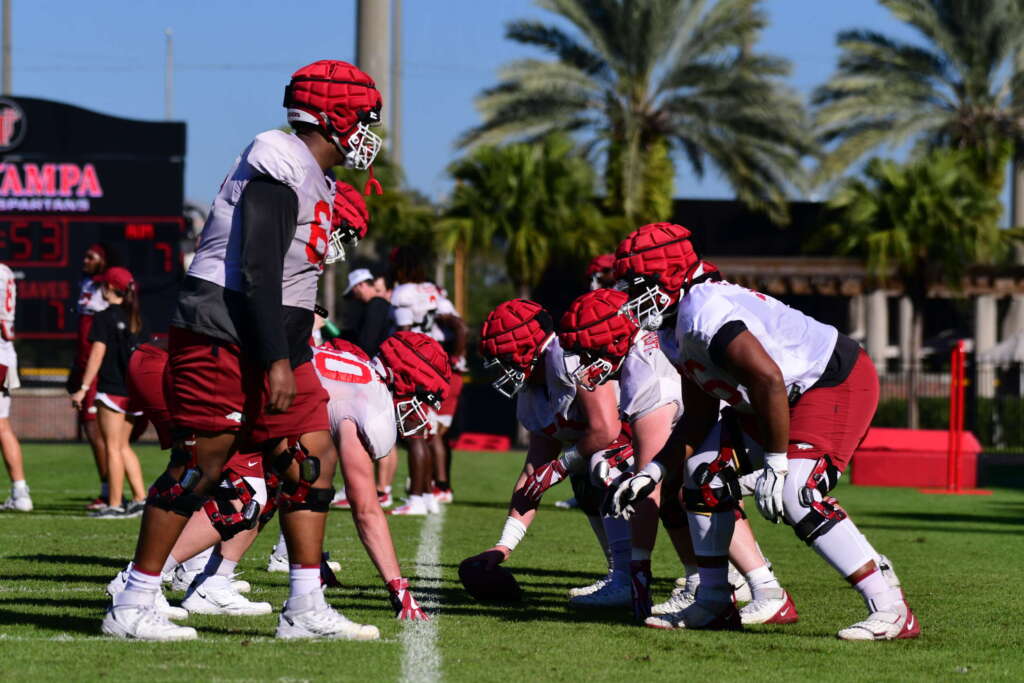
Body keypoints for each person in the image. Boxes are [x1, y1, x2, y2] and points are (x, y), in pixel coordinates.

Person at [101, 59, 385, 642]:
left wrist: (290, 346)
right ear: (335, 116)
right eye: (364, 118)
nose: (369, 132)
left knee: (310, 460)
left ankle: (305, 606)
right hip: (223, 332)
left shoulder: (315, 176)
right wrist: (276, 356)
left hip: (277, 339)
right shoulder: (278, 161)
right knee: (198, 469)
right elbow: (257, 266)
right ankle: (133, 601)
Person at [607, 222, 918, 640]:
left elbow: (768, 379)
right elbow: (698, 420)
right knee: (703, 473)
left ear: (668, 275)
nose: (631, 298)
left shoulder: (705, 310)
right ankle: (714, 601)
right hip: (774, 396)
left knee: (797, 494)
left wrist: (775, 462)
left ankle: (891, 607)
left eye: (638, 284)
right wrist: (653, 473)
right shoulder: (673, 330)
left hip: (828, 381)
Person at [558, 286, 795, 627]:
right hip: (732, 418)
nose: (581, 362)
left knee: (691, 486)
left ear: (610, 338)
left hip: (756, 422)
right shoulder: (644, 346)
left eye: (586, 350)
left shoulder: (643, 372)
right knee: (686, 485)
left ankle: (760, 587)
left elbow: (649, 479)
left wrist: (637, 571)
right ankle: (715, 581)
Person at [464, 298, 632, 606]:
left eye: (503, 360)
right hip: (624, 441)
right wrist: (504, 546)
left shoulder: (569, 357)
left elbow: (606, 429)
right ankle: (620, 573)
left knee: (602, 462)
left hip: (655, 429)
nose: (502, 370)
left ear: (525, 349)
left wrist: (561, 465)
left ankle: (631, 578)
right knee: (584, 474)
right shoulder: (533, 392)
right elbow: (533, 473)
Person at [389, 247, 466, 515]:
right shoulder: (435, 291)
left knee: (416, 434)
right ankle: (432, 491)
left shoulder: (403, 293)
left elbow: (404, 335)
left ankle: (418, 496)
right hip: (440, 364)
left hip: (416, 365)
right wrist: (456, 357)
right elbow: (459, 325)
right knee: (429, 433)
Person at [70, 267, 149, 519]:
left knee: (113, 448)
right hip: (132, 392)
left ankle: (114, 504)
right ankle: (140, 498)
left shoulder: (103, 317)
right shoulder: (136, 318)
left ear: (109, 288)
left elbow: (96, 354)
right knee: (123, 447)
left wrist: (83, 388)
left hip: (111, 391)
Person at [69, 244, 113, 509]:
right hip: (84, 364)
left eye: (90, 256)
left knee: (97, 429)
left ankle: (110, 491)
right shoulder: (86, 283)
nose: (85, 260)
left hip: (98, 369)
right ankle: (110, 489)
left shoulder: (106, 286)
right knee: (94, 430)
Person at [0, 263, 31, 512]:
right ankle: (20, 492)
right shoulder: (7, 271)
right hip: (5, 353)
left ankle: (20, 493)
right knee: (2, 424)